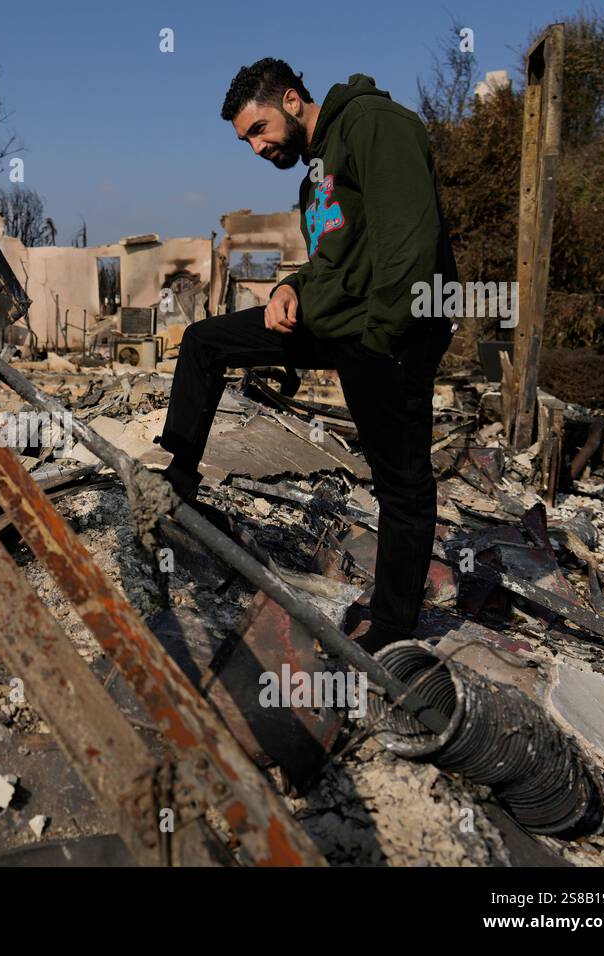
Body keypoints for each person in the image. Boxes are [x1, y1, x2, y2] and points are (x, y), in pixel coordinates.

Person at [158, 58, 457, 651]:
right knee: (204, 341)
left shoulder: (375, 125)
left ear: (293, 101)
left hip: (391, 332)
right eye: (247, 139)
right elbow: (333, 260)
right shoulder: (314, 174)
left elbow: (410, 244)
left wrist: (379, 343)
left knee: (402, 481)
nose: (256, 147)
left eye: (259, 130)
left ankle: (395, 626)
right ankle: (177, 485)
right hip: (338, 322)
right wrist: (289, 286)